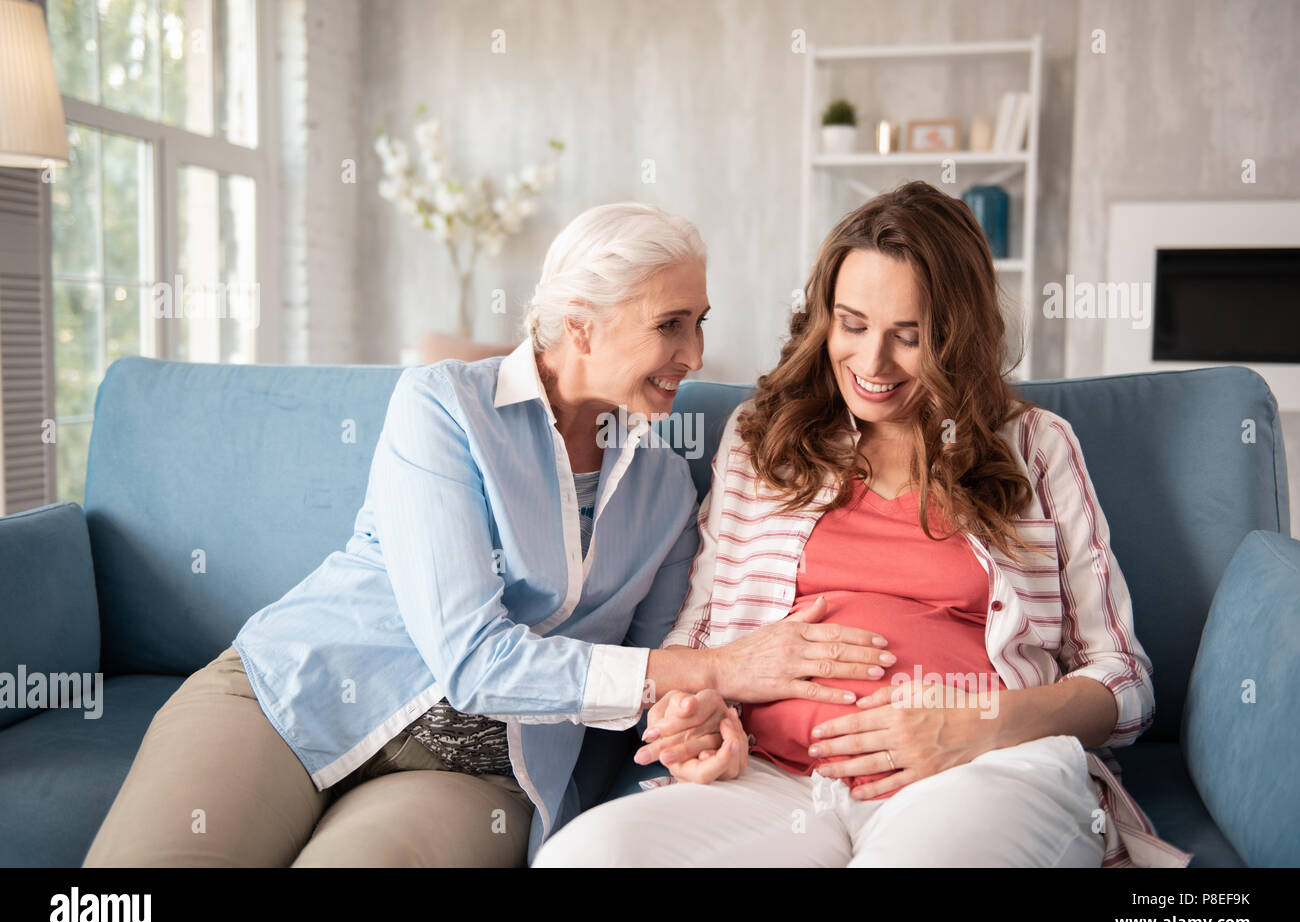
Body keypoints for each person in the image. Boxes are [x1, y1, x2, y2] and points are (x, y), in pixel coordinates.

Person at [82, 202, 888, 867]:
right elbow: (472, 657)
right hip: (291, 695)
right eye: (670, 324)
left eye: (700, 323)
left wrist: (699, 724)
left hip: (480, 769)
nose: (696, 354)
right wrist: (719, 667)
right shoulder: (443, 409)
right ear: (581, 326)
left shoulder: (667, 489)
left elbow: (654, 685)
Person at [532, 181, 1192, 868]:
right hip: (773, 781)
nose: (872, 364)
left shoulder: (1035, 447)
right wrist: (698, 720)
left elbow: (1125, 681)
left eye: (909, 337)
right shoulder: (762, 442)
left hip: (978, 776)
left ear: (956, 334)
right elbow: (698, 643)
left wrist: (976, 726)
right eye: (852, 324)